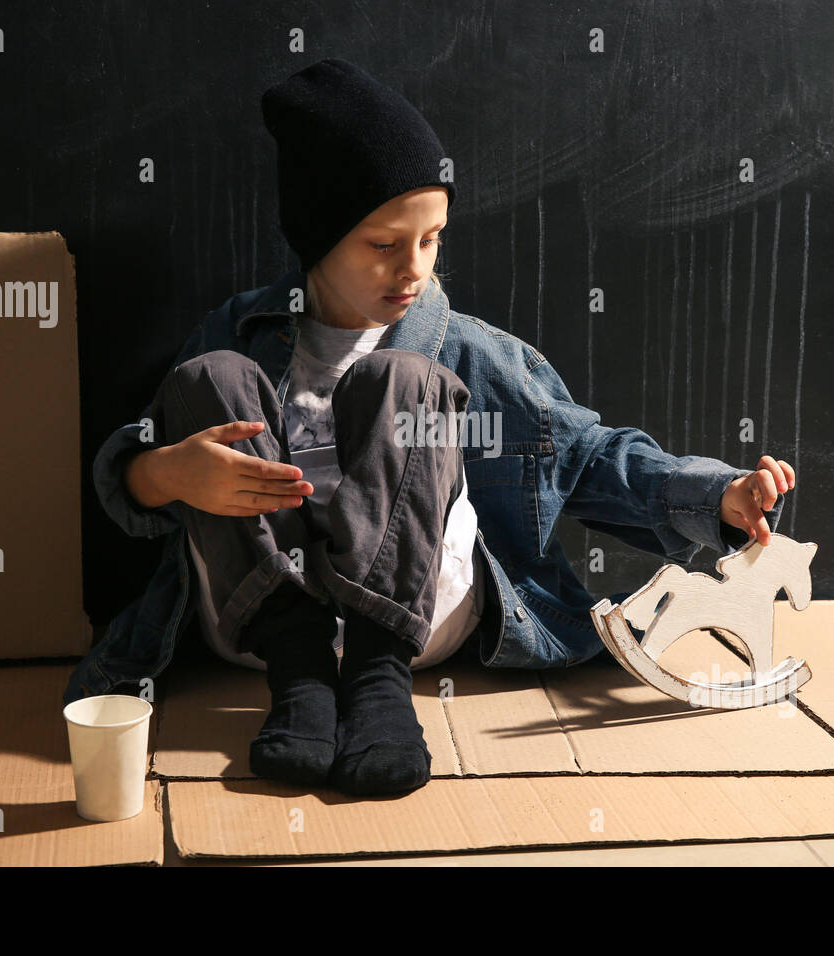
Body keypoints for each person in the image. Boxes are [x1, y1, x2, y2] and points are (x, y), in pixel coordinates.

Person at [72, 58, 797, 798]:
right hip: (265, 624)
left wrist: (717, 497)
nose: (412, 269)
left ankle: (376, 686)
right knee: (206, 379)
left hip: (410, 626)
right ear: (318, 235)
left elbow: (583, 457)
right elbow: (128, 468)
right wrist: (167, 473)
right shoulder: (241, 329)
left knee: (407, 382)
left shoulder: (466, 349)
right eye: (384, 245)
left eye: (432, 239)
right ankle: (303, 680)